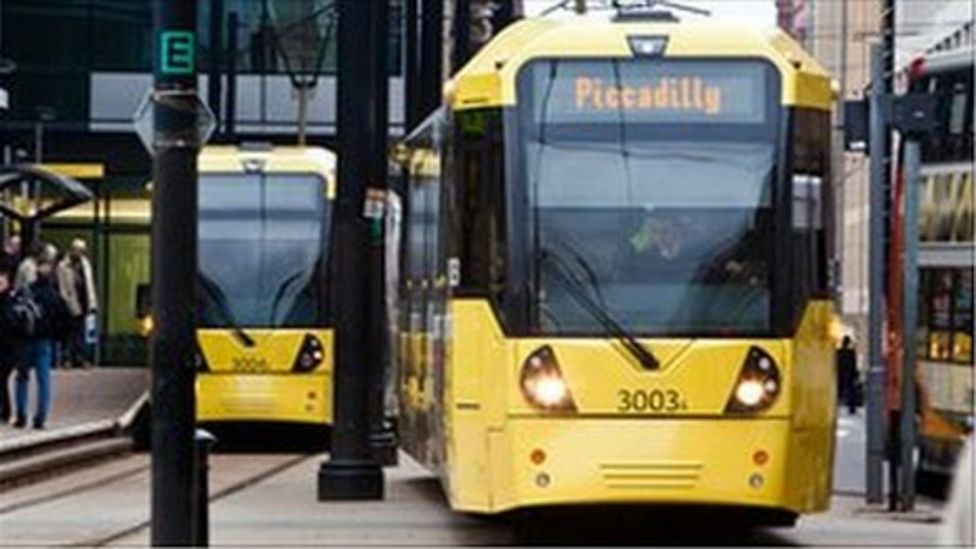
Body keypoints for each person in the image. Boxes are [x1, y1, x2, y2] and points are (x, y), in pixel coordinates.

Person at [14, 246, 70, 429]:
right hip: (44, 340)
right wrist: (58, 337)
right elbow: (64, 318)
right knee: (43, 380)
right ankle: (40, 418)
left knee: (22, 377)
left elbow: (16, 314)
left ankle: (21, 415)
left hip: (25, 339)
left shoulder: (26, 292)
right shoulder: (54, 296)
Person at [57, 239, 97, 369]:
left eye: (82, 250)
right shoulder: (63, 266)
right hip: (71, 303)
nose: (80, 253)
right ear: (72, 250)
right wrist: (67, 303)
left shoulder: (85, 264)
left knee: (82, 333)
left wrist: (92, 302)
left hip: (84, 302)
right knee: (69, 333)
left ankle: (81, 358)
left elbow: (89, 284)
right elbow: (63, 287)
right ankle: (66, 358)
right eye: (78, 250)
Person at [0, 257, 24, 424]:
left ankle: (6, 411)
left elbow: (13, 324)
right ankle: (5, 410)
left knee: (1, 378)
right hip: (7, 346)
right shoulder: (11, 301)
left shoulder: (10, 302)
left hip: (7, 347)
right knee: (1, 380)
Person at [836, 335, 859, 414]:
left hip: (840, 373)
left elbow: (836, 363)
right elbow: (853, 364)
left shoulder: (838, 352)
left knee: (838, 391)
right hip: (849, 374)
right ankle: (852, 408)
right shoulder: (851, 352)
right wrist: (855, 374)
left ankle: (836, 406)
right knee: (851, 391)